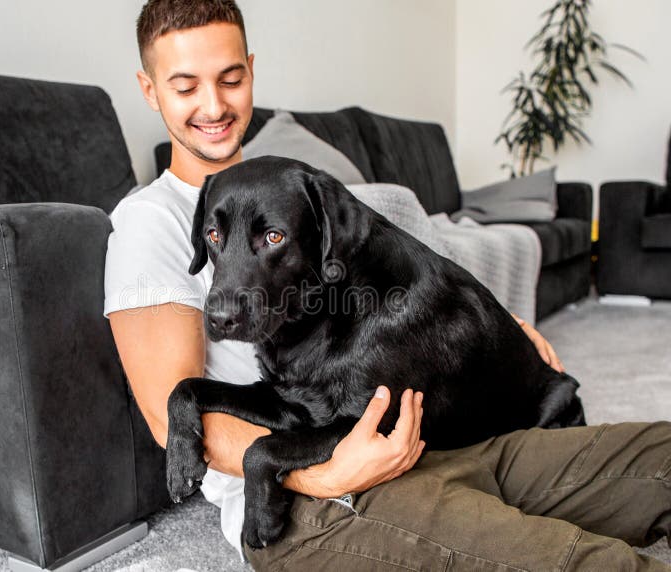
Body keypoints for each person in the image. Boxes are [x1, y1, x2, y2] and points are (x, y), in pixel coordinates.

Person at [104, 1, 671, 569]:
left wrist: (507, 330)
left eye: (230, 79)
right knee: (583, 562)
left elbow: (418, 292)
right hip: (320, 500)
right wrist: (322, 472)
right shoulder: (149, 219)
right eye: (185, 86)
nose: (214, 105)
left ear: (251, 71)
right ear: (149, 90)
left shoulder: (310, 201)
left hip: (437, 440)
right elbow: (168, 418)